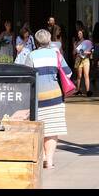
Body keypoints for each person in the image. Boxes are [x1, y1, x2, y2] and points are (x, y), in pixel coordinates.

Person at [28, 29, 73, 169]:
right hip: (55, 96)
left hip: (37, 99)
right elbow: (68, 73)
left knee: (40, 129)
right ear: (49, 41)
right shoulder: (56, 54)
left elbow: (27, 77)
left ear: (36, 42)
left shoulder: (31, 55)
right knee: (52, 129)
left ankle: (41, 158)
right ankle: (49, 160)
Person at [72, 27, 94, 97]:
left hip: (85, 59)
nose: (79, 35)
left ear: (83, 34)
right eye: (78, 34)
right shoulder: (76, 42)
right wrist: (74, 47)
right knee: (79, 76)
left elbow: (91, 51)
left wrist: (86, 52)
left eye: (80, 33)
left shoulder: (88, 42)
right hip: (78, 59)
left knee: (86, 75)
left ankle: (88, 91)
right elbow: (74, 53)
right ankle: (78, 90)